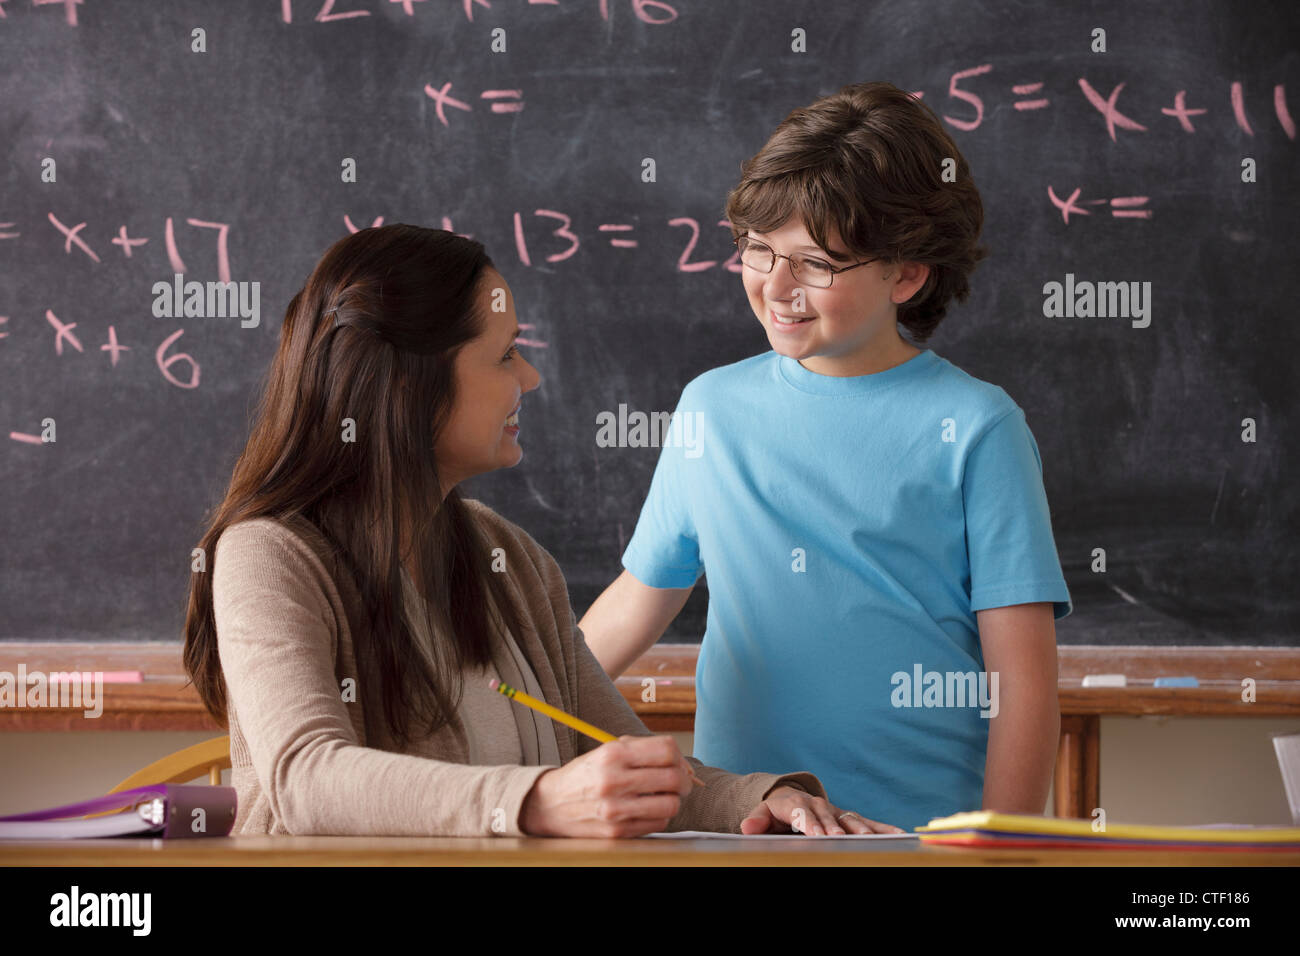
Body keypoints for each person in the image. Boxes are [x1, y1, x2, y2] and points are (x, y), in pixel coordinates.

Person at [182, 223, 901, 837]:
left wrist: (763, 800)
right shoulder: (268, 554)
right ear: (411, 387)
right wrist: (534, 802)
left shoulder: (507, 558)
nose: (528, 379)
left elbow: (633, 764)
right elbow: (306, 780)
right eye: (503, 356)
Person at [579, 81, 1072, 833]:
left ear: (905, 275)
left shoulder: (977, 426)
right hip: (746, 827)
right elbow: (637, 600)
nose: (777, 287)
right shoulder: (710, 408)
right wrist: (494, 695)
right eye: (758, 250)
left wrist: (997, 842)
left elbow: (1025, 683)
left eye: (816, 264)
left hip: (919, 836)